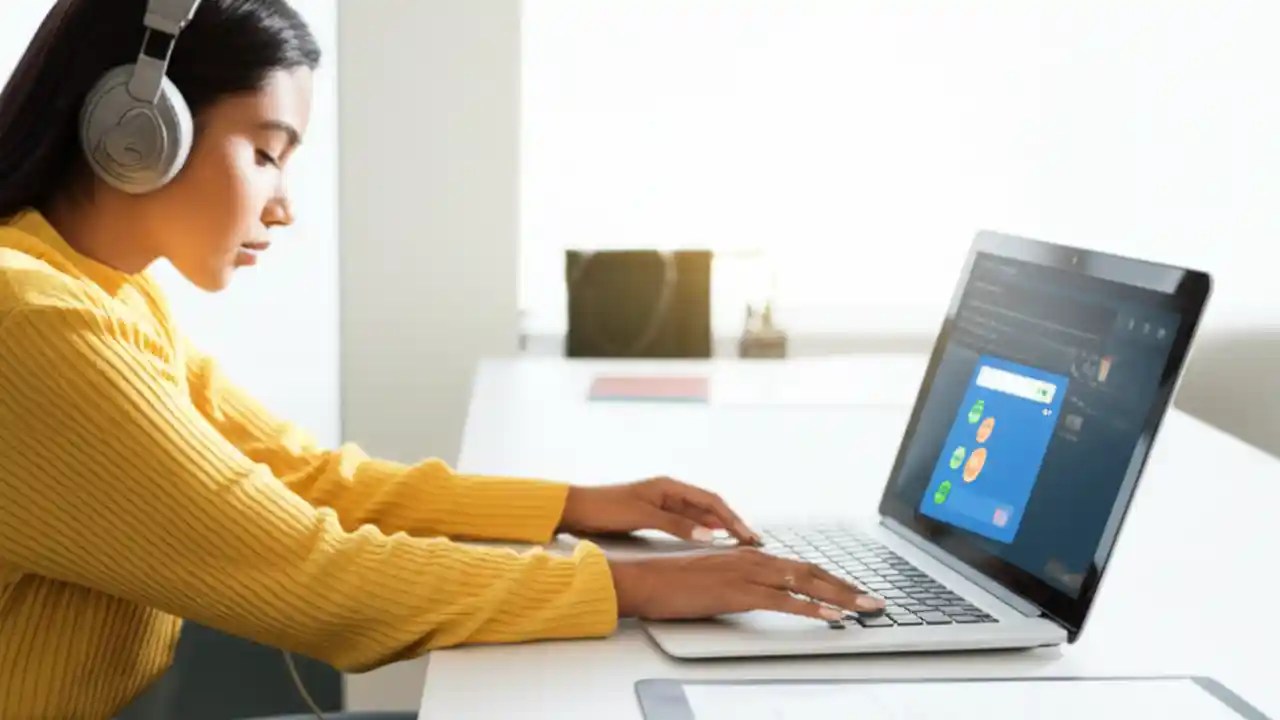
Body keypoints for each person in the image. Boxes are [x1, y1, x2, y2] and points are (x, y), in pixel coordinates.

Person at [0, 1, 881, 718]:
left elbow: (308, 479)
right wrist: (639, 584)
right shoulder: (32, 321)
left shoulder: (102, 293)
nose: (283, 207)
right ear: (138, 129)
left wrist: (575, 506)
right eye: (267, 153)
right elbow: (317, 575)